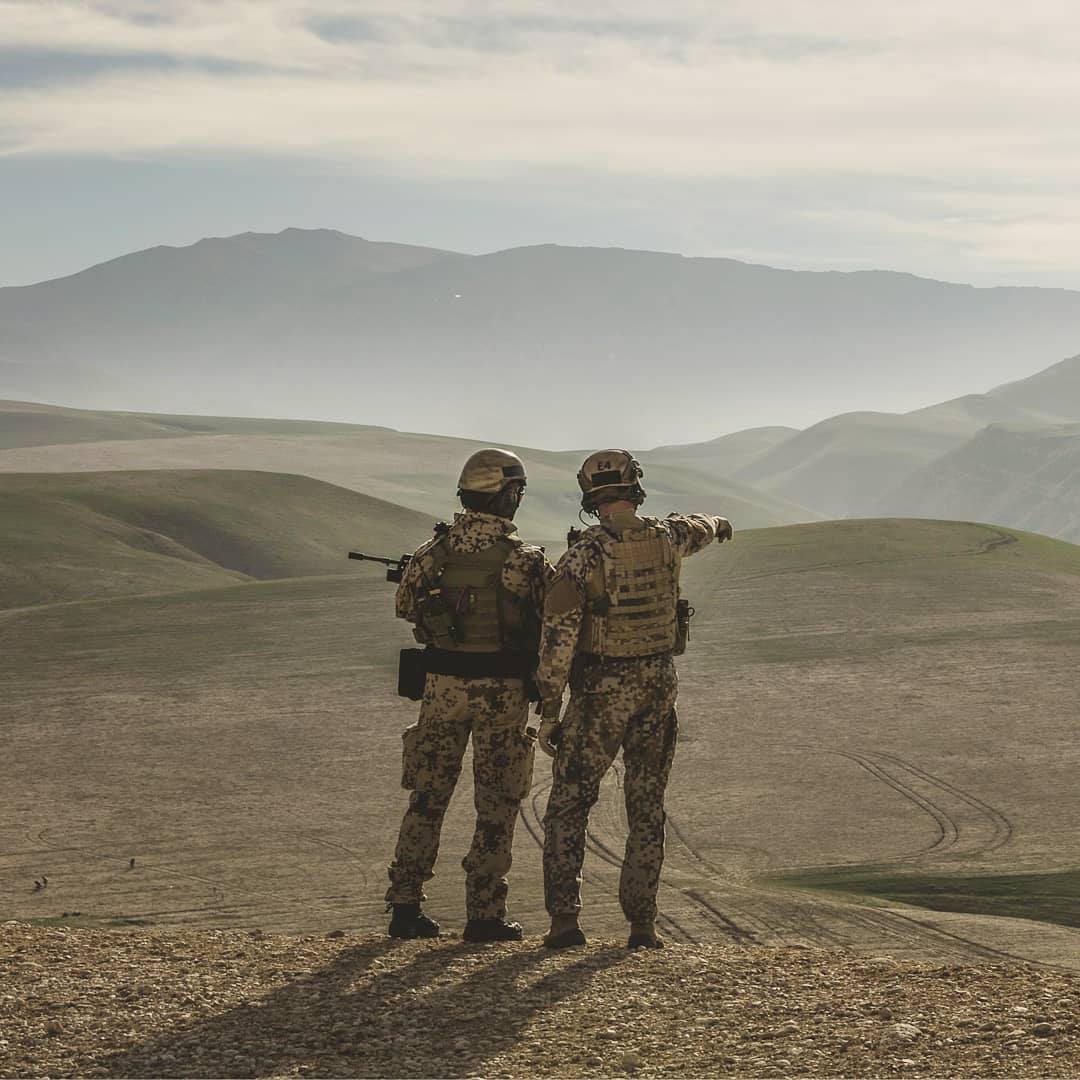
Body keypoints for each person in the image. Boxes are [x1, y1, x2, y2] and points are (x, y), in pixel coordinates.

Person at [535, 449, 732, 949]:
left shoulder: (584, 554)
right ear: (635, 485)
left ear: (589, 495)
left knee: (570, 803)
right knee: (646, 805)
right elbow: (702, 525)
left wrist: (551, 711)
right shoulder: (668, 536)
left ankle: (565, 922)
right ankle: (642, 926)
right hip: (659, 685)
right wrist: (720, 521)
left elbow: (558, 638)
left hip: (601, 691)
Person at [386, 448, 553, 942]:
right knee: (497, 803)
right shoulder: (525, 560)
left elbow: (404, 607)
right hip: (502, 693)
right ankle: (484, 914)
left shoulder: (431, 553)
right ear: (506, 497)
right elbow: (550, 626)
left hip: (441, 690)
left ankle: (404, 907)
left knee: (427, 798)